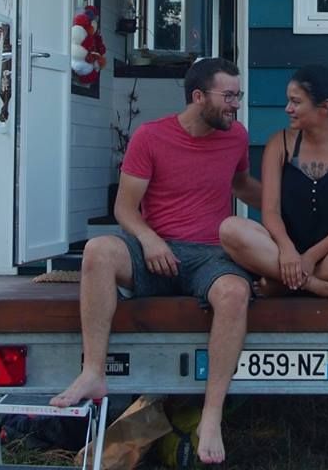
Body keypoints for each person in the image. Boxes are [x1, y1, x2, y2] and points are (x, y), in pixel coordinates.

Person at [50, 57, 260, 465]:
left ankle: (211, 414)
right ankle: (94, 371)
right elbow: (125, 208)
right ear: (199, 97)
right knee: (99, 251)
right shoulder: (151, 137)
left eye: (239, 95)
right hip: (156, 250)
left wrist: (287, 206)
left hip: (210, 256)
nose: (236, 104)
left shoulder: (235, 137)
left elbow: (240, 184)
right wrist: (149, 240)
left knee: (235, 292)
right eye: (229, 95)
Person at [221, 65, 328, 300]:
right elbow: (271, 211)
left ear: (324, 107)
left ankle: (284, 284)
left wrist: (310, 257)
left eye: (296, 102)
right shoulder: (279, 143)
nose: (287, 109)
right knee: (230, 229)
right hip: (282, 254)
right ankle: (323, 287)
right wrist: (287, 249)